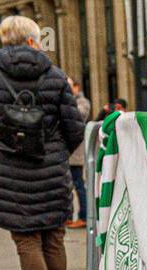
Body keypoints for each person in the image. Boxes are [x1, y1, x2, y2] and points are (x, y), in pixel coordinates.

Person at [0, 15, 85, 270]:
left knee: (27, 241)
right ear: (35, 39)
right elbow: (74, 127)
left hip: (10, 170)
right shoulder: (55, 75)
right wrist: (55, 150)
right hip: (50, 169)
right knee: (53, 238)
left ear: (4, 38)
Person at [65, 77, 90, 229]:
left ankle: (84, 216)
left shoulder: (83, 102)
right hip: (66, 152)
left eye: (69, 85)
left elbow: (78, 117)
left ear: (76, 87)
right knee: (66, 186)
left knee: (78, 184)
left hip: (75, 153)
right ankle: (68, 216)